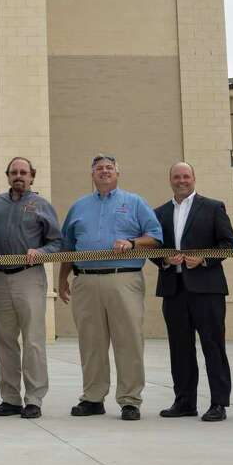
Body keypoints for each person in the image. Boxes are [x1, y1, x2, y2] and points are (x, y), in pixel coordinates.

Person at [57, 154, 162, 421]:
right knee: (91, 343)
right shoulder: (79, 206)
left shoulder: (135, 202)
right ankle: (93, 398)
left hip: (123, 278)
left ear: (118, 172)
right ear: (91, 174)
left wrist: (132, 242)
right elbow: (69, 247)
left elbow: (156, 238)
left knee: (128, 341)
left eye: (109, 168)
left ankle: (130, 400)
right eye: (99, 169)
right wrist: (62, 280)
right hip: (85, 281)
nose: (104, 172)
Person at [151, 162, 233, 422]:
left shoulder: (212, 207)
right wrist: (165, 261)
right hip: (174, 290)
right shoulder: (160, 213)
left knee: (213, 346)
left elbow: (229, 244)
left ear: (194, 178)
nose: (181, 180)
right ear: (170, 180)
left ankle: (219, 403)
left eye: (186, 176)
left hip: (207, 289)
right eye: (176, 177)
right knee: (180, 349)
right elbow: (154, 249)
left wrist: (204, 259)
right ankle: (185, 401)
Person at [0, 156, 62, 420]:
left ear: (32, 176)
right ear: (7, 176)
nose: (18, 176)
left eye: (23, 172)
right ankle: (11, 398)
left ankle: (34, 399)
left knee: (33, 340)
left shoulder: (41, 205)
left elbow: (57, 243)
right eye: (14, 172)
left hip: (29, 277)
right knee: (3, 341)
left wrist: (40, 251)